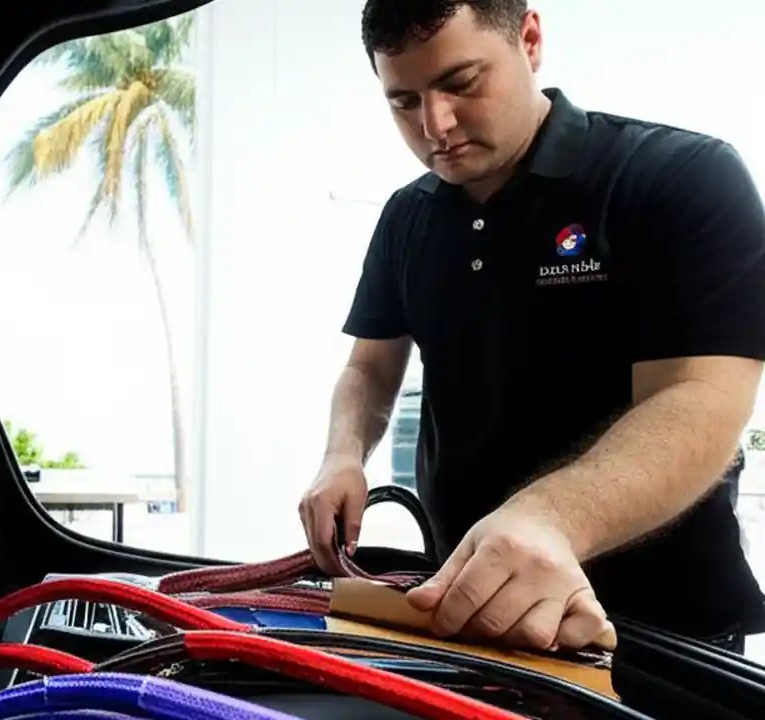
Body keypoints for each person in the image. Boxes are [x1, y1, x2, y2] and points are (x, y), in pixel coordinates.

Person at [299, 0, 765, 655]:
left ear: (530, 38)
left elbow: (702, 398)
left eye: (461, 84)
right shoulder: (408, 217)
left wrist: (549, 518)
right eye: (404, 101)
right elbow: (369, 368)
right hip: (471, 620)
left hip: (661, 636)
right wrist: (342, 456)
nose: (437, 124)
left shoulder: (678, 178)